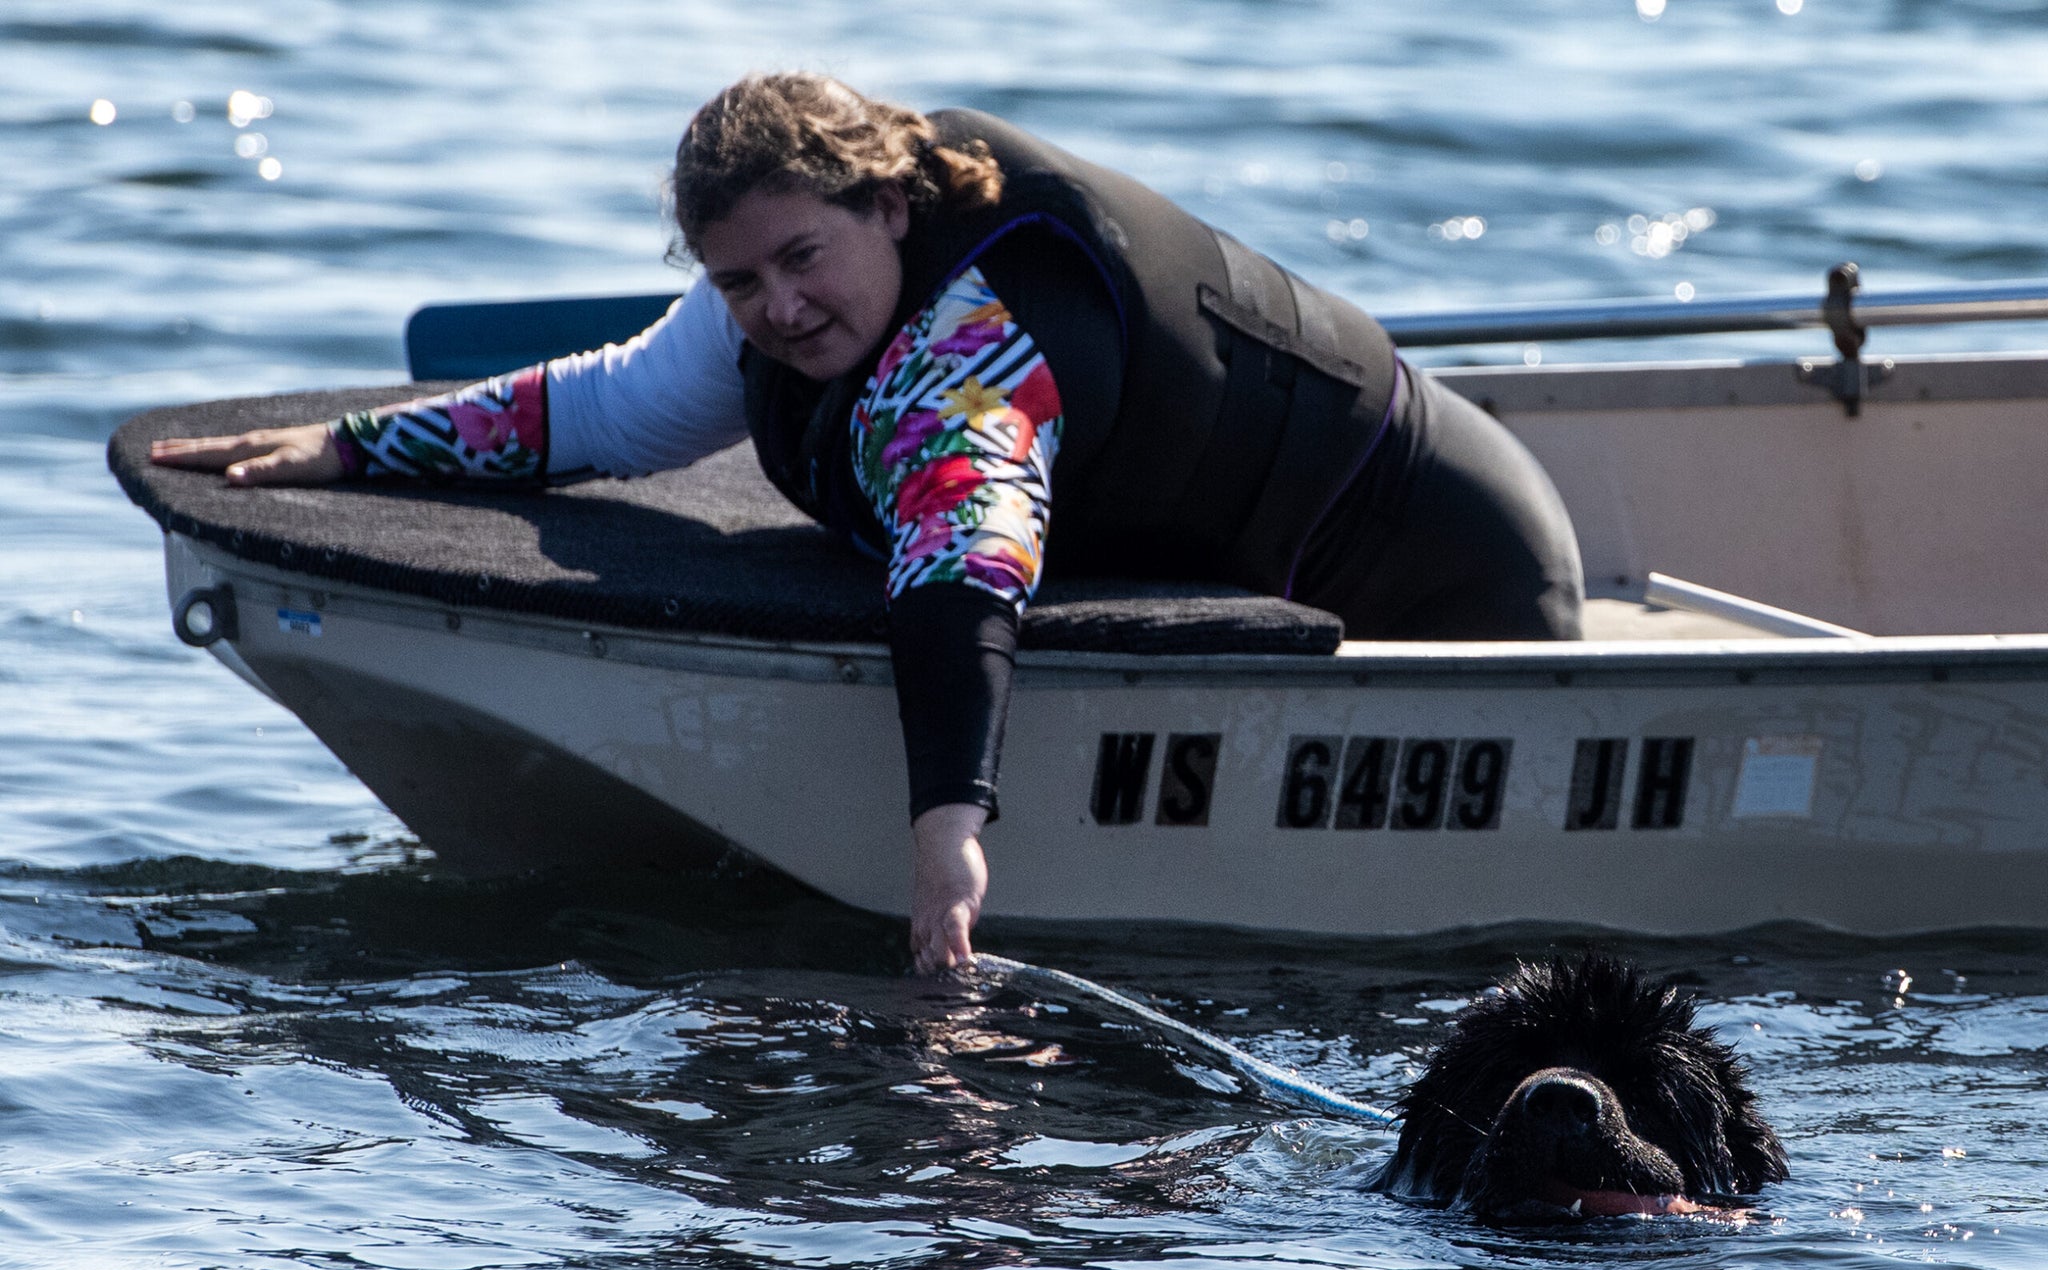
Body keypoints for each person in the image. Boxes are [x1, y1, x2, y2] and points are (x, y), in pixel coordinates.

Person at [151, 73, 1584, 974]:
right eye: (737, 280)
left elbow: (963, 574)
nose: (776, 306)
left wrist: (947, 839)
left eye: (800, 258)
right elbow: (599, 412)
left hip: (1449, 566)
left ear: (889, 204)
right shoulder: (780, 311)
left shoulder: (980, 352)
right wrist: (346, 451)